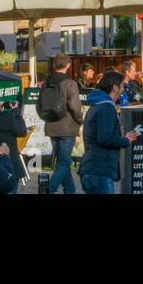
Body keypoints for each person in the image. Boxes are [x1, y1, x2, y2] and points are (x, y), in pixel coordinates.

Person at [78, 71, 141, 194]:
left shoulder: (96, 105)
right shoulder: (106, 107)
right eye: (122, 86)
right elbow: (104, 137)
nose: (123, 90)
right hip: (100, 170)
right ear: (114, 87)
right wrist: (125, 140)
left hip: (91, 168)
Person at [41, 53, 83, 194]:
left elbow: (39, 104)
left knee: (62, 163)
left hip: (51, 126)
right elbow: (75, 107)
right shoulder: (70, 84)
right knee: (65, 163)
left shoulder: (47, 82)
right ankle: (48, 189)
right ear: (68, 65)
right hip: (67, 127)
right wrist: (80, 120)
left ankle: (69, 190)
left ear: (54, 65)